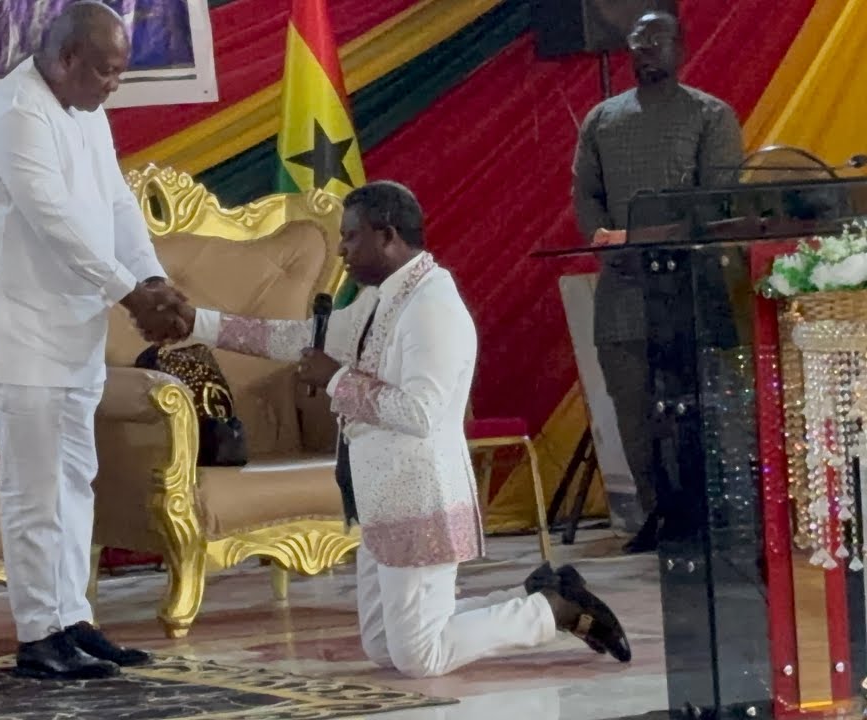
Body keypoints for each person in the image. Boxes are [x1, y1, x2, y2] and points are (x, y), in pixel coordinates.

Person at [152, 181, 630, 677]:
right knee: (385, 645)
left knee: (422, 657)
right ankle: (534, 595)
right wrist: (195, 322)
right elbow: (297, 337)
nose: (340, 248)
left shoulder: (432, 307)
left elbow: (421, 413)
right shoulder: (380, 300)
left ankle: (550, 611)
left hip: (420, 495)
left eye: (350, 237)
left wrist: (335, 379)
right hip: (381, 494)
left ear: (388, 235)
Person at [0, 0, 188, 680]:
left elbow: (115, 205)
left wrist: (153, 274)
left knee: (76, 481)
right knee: (34, 488)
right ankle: (38, 634)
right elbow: (55, 224)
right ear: (66, 57)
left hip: (72, 328)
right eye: (106, 70)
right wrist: (133, 295)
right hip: (15, 328)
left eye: (120, 72)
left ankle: (73, 618)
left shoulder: (85, 108)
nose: (113, 85)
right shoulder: (16, 113)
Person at [572, 11, 743, 554]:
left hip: (691, 290)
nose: (645, 49)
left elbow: (716, 200)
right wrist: (606, 240)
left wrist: (647, 237)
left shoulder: (711, 115)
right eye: (637, 41)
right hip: (622, 291)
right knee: (635, 410)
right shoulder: (601, 120)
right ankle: (657, 516)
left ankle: (708, 518)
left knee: (701, 409)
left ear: (680, 48)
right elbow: (585, 196)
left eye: (656, 40)